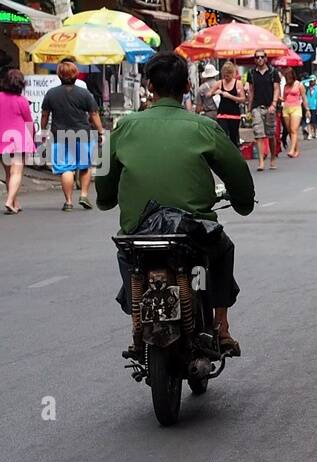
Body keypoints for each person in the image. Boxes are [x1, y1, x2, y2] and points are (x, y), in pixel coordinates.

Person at [96, 52, 254, 357]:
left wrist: (105, 198)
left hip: (138, 231)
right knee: (222, 250)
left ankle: (136, 324)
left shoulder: (123, 127)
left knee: (127, 256)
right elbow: (237, 170)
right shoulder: (204, 126)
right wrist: (242, 202)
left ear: (150, 87)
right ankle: (221, 326)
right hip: (192, 231)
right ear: (187, 87)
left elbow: (102, 168)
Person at [40, 60, 103, 211]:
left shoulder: (51, 93)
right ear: (76, 75)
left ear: (59, 75)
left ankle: (68, 201)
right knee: (85, 166)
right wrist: (100, 130)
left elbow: (44, 115)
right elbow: (94, 114)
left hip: (59, 135)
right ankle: (84, 195)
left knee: (65, 168)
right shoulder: (84, 93)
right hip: (83, 134)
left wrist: (43, 130)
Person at [0, 69, 34, 214]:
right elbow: (28, 121)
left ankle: (15, 202)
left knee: (9, 173)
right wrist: (33, 137)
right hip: (19, 139)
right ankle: (9, 201)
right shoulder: (22, 101)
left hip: (2, 140)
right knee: (17, 172)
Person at [246, 50, 280, 171]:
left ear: (266, 58)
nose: (259, 59)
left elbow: (276, 88)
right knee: (258, 134)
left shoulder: (273, 72)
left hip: (270, 106)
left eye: (262, 57)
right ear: (255, 59)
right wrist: (249, 108)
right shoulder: (251, 73)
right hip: (256, 106)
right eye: (257, 57)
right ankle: (261, 161)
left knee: (271, 134)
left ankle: (273, 158)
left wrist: (274, 104)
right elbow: (251, 91)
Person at [212, 61, 245, 148]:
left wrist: (229, 96)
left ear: (232, 74)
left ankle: (234, 152)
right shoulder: (219, 83)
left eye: (228, 76)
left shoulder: (238, 83)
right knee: (223, 136)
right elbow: (208, 94)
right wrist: (215, 92)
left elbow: (243, 99)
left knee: (233, 137)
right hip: (222, 113)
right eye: (224, 76)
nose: (226, 78)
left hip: (234, 114)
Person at [280, 67, 305, 157]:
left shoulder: (299, 84)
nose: (288, 78)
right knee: (290, 131)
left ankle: (291, 150)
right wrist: (277, 98)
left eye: (289, 76)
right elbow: (284, 98)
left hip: (296, 108)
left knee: (294, 129)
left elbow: (304, 98)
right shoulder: (286, 86)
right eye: (286, 76)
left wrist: (307, 110)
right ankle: (296, 150)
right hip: (286, 108)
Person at [305, 76, 317, 140]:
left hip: (314, 107)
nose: (312, 82)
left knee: (314, 121)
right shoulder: (307, 88)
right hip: (308, 107)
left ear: (315, 81)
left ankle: (315, 132)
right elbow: (305, 97)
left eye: (313, 81)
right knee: (308, 121)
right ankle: (309, 133)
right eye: (311, 81)